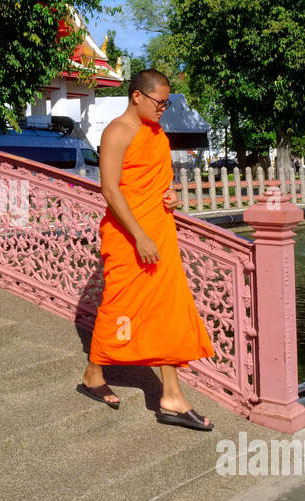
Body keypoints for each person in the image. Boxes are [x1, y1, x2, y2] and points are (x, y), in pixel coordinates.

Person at [77, 70, 217, 431]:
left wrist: (170, 196)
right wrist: (139, 235)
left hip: (159, 229)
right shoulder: (117, 133)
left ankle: (170, 395)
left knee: (166, 307)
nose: (163, 110)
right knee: (121, 305)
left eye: (166, 103)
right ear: (137, 96)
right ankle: (94, 372)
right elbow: (110, 190)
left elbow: (155, 181)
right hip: (129, 235)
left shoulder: (156, 134)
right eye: (159, 103)